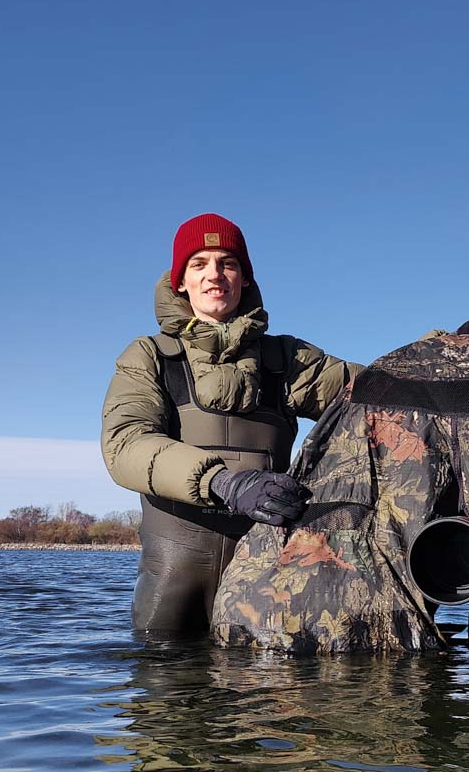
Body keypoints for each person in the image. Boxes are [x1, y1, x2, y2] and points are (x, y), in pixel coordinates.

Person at [102, 213, 359, 634]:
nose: (214, 275)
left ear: (244, 279)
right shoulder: (148, 356)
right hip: (172, 588)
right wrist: (223, 483)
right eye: (199, 264)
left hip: (268, 584)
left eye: (228, 263)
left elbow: (373, 391)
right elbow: (125, 444)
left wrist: (451, 354)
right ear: (180, 281)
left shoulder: (286, 359)